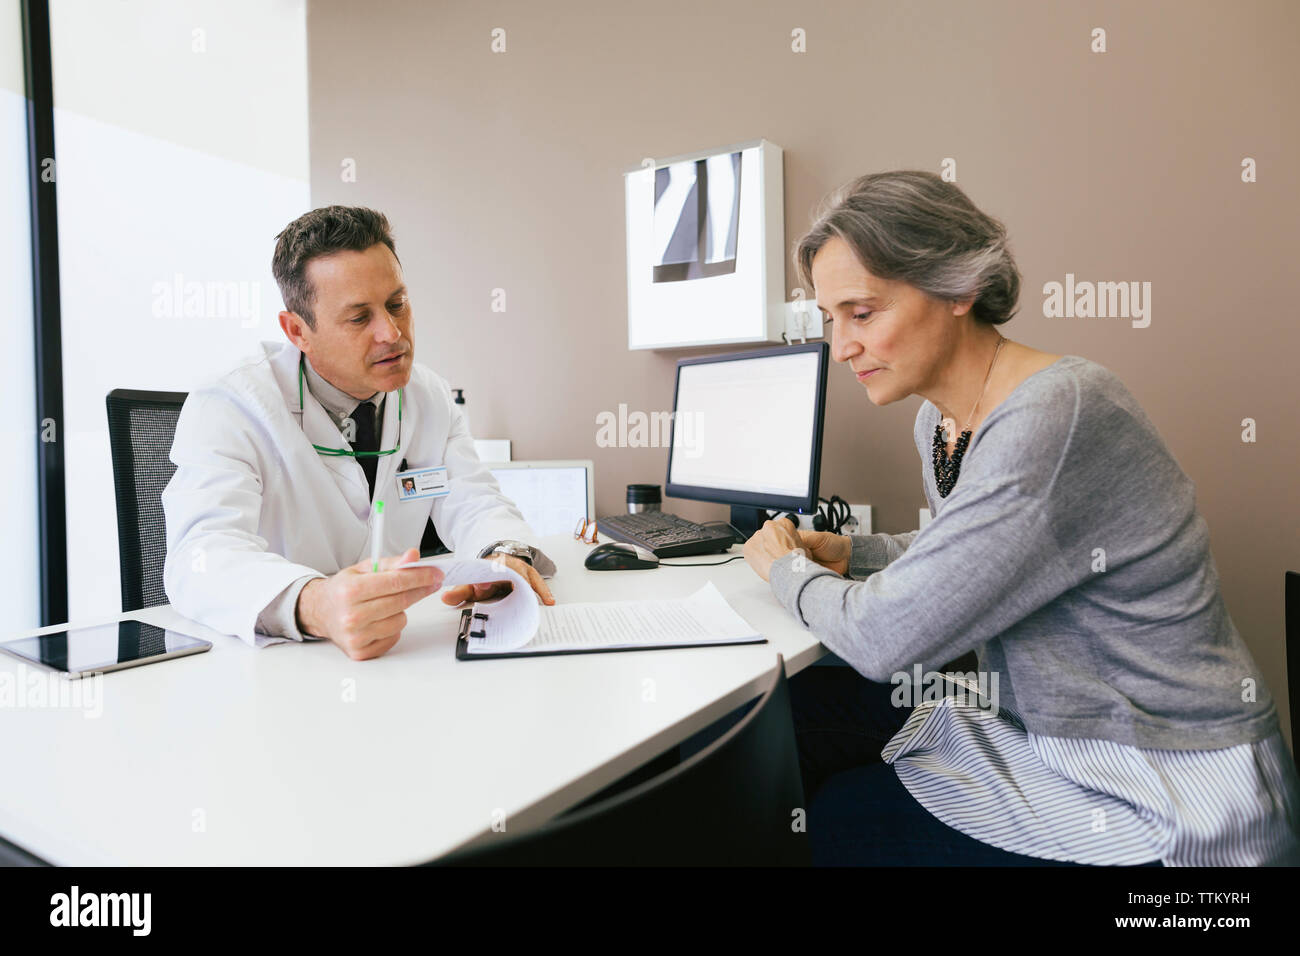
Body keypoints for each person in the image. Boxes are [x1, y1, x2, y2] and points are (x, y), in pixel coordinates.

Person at [744, 170, 1300, 866]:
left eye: (861, 313)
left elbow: (888, 641)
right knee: (801, 713)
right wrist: (855, 554)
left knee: (838, 821)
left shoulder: (1058, 412)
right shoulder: (940, 423)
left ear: (957, 287)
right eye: (830, 319)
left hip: (1172, 789)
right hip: (1050, 732)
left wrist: (785, 570)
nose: (841, 345)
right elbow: (984, 547)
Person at [163, 206, 555, 660]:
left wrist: (502, 557)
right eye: (358, 318)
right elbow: (201, 557)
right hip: (276, 667)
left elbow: (475, 502)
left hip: (397, 657)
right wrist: (315, 603)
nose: (392, 333)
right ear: (297, 331)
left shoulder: (428, 395)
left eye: (397, 304)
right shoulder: (231, 405)